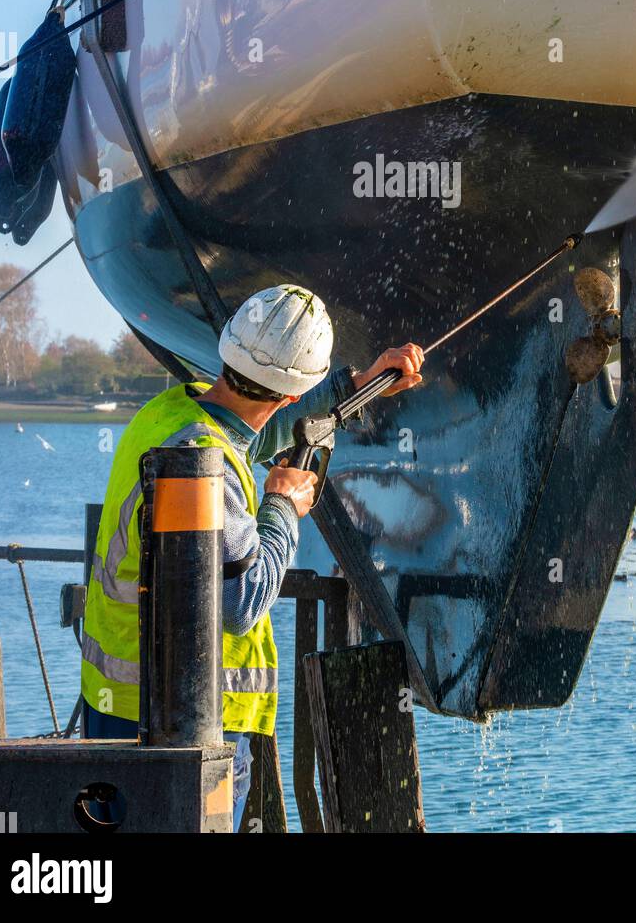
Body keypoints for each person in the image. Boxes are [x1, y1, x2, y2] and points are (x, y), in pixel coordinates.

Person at [80, 283, 423, 828]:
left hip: (117, 709)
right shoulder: (205, 462)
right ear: (291, 395)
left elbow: (253, 433)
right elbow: (242, 601)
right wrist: (283, 506)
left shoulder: (173, 412)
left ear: (228, 350)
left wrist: (358, 388)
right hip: (186, 729)